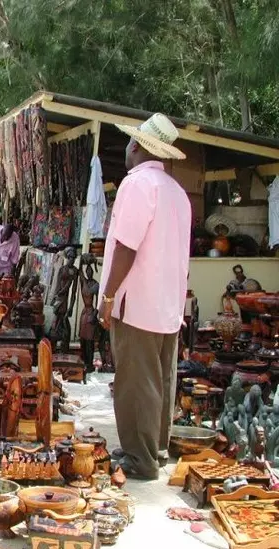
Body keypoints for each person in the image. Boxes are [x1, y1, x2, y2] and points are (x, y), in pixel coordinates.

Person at [97, 113, 191, 480]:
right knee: (161, 380)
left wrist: (108, 297)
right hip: (167, 302)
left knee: (136, 381)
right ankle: (156, 448)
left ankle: (141, 459)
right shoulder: (177, 192)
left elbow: (126, 247)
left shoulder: (137, 184)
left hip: (137, 302)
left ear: (136, 145)